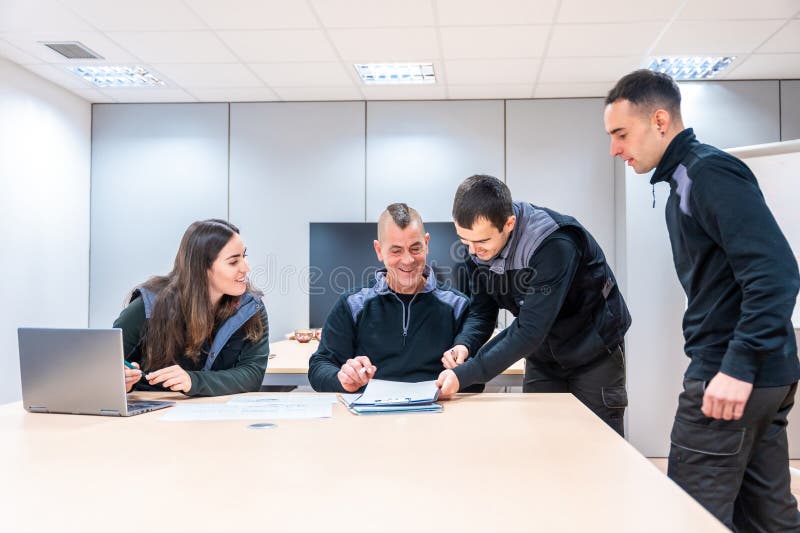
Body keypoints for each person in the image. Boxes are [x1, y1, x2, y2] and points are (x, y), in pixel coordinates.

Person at [604, 69, 800, 530]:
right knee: (769, 519)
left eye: (620, 134)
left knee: (690, 517)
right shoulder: (687, 180)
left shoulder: (706, 172)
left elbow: (775, 272)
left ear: (659, 120)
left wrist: (736, 366)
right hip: (764, 374)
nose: (615, 148)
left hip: (732, 374)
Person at [436, 175, 632, 437]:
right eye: (464, 241)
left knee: (598, 445)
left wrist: (464, 375)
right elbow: (482, 310)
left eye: (481, 242)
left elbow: (530, 329)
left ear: (509, 223)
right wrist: (465, 344)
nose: (472, 251)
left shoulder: (554, 243)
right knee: (542, 444)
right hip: (543, 358)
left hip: (593, 354)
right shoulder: (477, 247)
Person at [309, 203, 477, 393]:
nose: (408, 260)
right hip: (370, 416)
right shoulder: (353, 304)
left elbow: (478, 379)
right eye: (396, 251)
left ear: (427, 244)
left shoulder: (458, 305)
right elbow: (319, 366)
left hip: (437, 413)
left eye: (415, 248)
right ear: (379, 250)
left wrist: (463, 374)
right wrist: (342, 379)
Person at [114, 219, 270, 397]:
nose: (246, 267)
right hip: (151, 418)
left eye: (244, 256)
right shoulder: (149, 306)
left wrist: (193, 381)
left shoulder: (250, 308)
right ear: (201, 268)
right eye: (233, 262)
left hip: (220, 416)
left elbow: (252, 375)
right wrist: (121, 382)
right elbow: (104, 366)